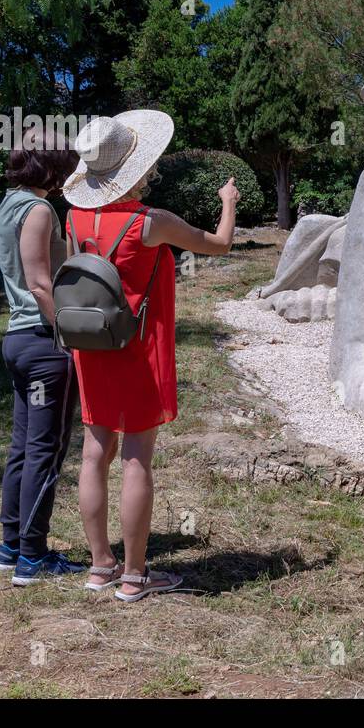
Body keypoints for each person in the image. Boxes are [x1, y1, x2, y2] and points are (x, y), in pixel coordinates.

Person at [61, 111, 239, 601]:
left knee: (95, 452)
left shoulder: (74, 217)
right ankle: (136, 577)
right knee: (137, 457)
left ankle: (101, 566)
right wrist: (228, 203)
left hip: (92, 347)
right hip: (136, 352)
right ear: (137, 169)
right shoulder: (150, 222)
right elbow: (219, 245)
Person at [0, 127, 85, 584]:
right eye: (65, 164)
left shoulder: (8, 204)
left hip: (17, 338)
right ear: (50, 167)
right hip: (42, 341)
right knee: (45, 451)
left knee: (23, 448)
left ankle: (10, 546)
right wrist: (67, 334)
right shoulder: (39, 209)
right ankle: (33, 556)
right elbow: (39, 284)